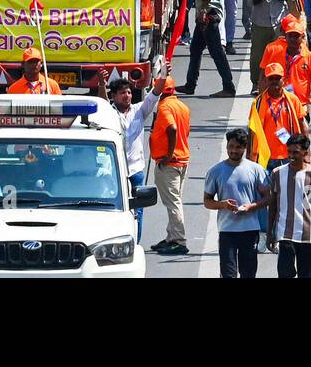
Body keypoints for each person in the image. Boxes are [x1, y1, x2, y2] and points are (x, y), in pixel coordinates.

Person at [95, 68, 162, 241]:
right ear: (114, 96)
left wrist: (164, 75)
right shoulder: (109, 112)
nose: (127, 95)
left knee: (138, 212)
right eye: (122, 93)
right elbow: (102, 102)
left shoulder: (139, 110)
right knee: (111, 209)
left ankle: (135, 243)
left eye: (129, 92)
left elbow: (155, 93)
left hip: (136, 170)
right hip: (113, 172)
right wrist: (102, 84)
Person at [202, 127, 270, 278]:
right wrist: (223, 204)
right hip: (227, 231)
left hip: (250, 230)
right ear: (226, 146)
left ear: (245, 148)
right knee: (228, 274)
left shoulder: (256, 169)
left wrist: (251, 207)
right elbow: (207, 201)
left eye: (238, 147)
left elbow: (268, 197)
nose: (233, 150)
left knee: (249, 273)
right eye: (231, 147)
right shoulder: (215, 171)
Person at [266, 133, 311, 279]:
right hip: (285, 233)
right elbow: (273, 204)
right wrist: (269, 232)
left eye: (295, 152)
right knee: (285, 273)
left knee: (306, 274)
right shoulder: (277, 173)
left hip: (307, 234)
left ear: (305, 152)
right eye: (289, 151)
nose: (291, 155)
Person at [150, 76, 192, 256]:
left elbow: (172, 128)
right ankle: (171, 236)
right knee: (174, 201)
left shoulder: (165, 106)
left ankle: (179, 240)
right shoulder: (182, 106)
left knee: (173, 203)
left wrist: (168, 154)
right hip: (182, 160)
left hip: (170, 163)